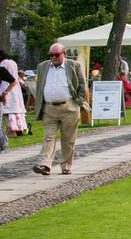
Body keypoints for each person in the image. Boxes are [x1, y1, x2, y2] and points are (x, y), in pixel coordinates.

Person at [30, 43, 89, 176]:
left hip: (69, 107)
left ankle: (66, 166)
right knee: (48, 138)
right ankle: (45, 165)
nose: (54, 57)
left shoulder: (73, 65)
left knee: (68, 139)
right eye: (51, 55)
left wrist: (78, 102)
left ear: (64, 54)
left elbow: (82, 85)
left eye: (57, 54)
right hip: (49, 108)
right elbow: (40, 86)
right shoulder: (43, 66)